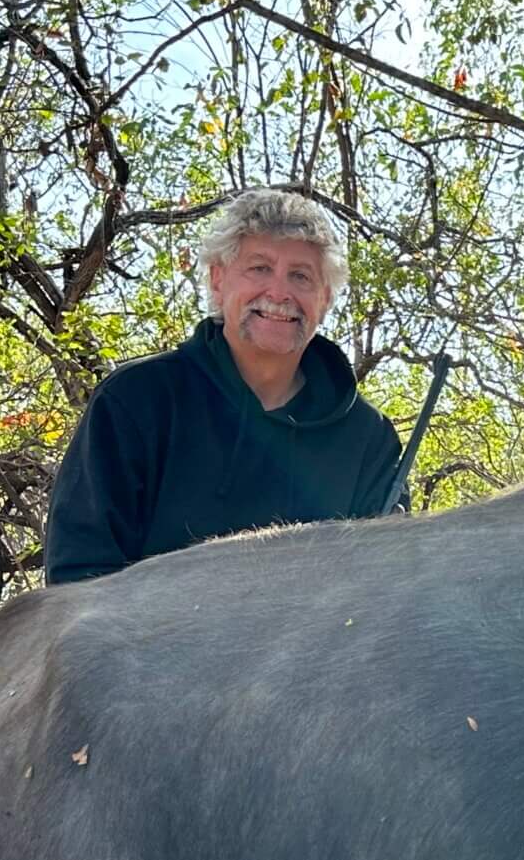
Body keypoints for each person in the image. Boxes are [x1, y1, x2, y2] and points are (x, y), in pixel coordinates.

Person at [43, 187, 402, 585]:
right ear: (218, 280)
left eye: (300, 276)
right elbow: (78, 580)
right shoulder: (135, 402)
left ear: (326, 297)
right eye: (260, 268)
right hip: (149, 647)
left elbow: (380, 597)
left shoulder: (370, 441)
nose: (279, 293)